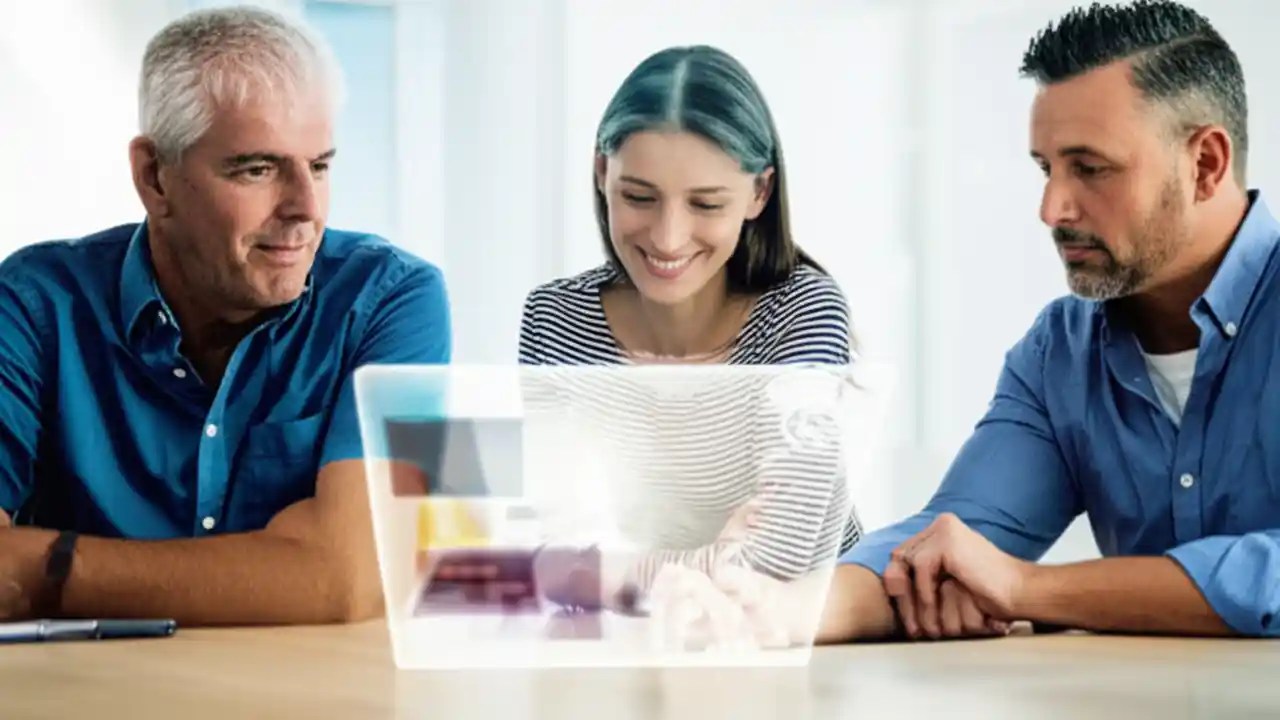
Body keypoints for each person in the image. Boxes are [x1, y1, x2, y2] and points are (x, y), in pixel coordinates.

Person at [818, 0, 1280, 642]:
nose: (1052, 207)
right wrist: (768, 608)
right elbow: (953, 545)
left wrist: (1026, 588)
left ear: (1204, 164)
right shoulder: (1059, 352)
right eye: (1047, 168)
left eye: (1090, 169)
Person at [0, 6, 450, 626]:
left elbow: (351, 580)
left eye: (320, 165)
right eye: (257, 169)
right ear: (154, 178)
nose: (305, 208)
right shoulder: (33, 303)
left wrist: (46, 566)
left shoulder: (394, 300)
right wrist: (280, 568)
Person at [516, 46, 861, 622]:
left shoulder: (803, 313)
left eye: (705, 203)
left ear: (759, 193)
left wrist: (623, 573)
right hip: (642, 652)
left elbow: (776, 562)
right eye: (639, 197)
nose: (669, 238)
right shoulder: (555, 321)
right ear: (603, 173)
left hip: (797, 650)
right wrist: (709, 563)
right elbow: (556, 564)